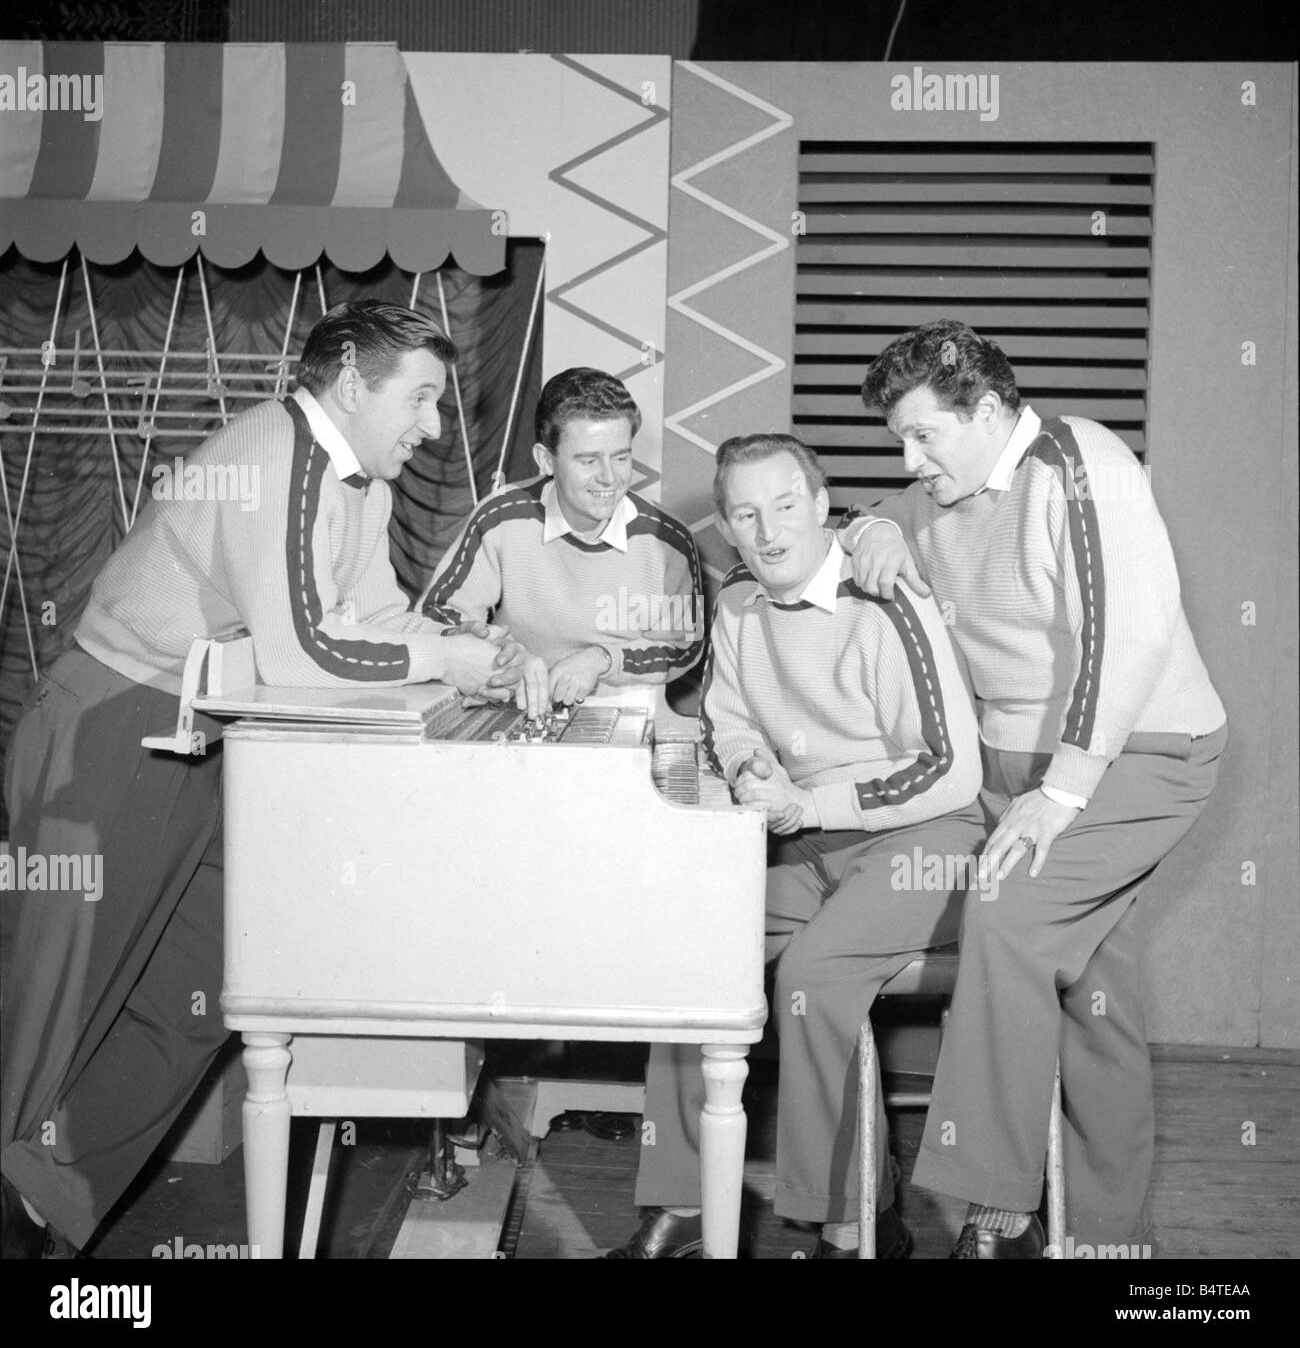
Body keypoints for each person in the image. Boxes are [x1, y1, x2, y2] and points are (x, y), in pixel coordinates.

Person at [0, 300, 524, 1257]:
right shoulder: (280, 449)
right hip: (112, 728)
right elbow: (300, 652)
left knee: (213, 983)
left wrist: (465, 643)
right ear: (353, 382)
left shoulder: (361, 482)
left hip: (201, 744)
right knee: (54, 997)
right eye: (421, 399)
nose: (435, 427)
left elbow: (373, 620)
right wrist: (446, 661)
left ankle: (39, 1193)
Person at [844, 319, 1227, 1258]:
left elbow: (1126, 633)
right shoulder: (944, 485)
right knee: (1094, 985)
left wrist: (1062, 792)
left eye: (923, 433)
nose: (910, 455)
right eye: (900, 437)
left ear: (985, 410)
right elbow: (880, 513)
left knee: (1010, 915)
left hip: (1139, 749)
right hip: (1017, 760)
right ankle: (1105, 1234)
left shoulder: (1080, 460)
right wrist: (876, 523)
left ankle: (994, 1203)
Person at [602, 432, 984, 1258]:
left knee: (814, 974)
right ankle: (686, 1204)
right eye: (745, 513)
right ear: (729, 529)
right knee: (690, 952)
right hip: (808, 836)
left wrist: (806, 800)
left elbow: (954, 772)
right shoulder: (737, 605)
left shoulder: (886, 601)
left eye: (784, 505)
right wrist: (751, 769)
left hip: (925, 834)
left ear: (821, 507)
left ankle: (853, 1221)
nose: (769, 530)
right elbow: (729, 719)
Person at [422, 368, 704, 714]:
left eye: (621, 457)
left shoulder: (668, 539)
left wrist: (601, 660)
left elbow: (685, 646)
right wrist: (499, 654)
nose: (609, 477)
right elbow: (438, 614)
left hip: (627, 717)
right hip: (511, 712)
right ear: (546, 460)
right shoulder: (500, 517)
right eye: (588, 460)